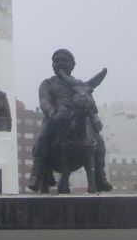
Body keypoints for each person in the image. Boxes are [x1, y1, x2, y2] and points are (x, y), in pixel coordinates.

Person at [29, 49, 112, 192]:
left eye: (64, 60)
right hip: (56, 119)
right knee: (42, 138)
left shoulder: (79, 85)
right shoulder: (47, 83)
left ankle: (100, 177)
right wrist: (50, 111)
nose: (60, 63)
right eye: (57, 61)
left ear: (73, 65)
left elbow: (90, 103)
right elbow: (44, 101)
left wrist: (94, 116)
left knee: (99, 142)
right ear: (52, 65)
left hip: (78, 117)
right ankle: (36, 175)